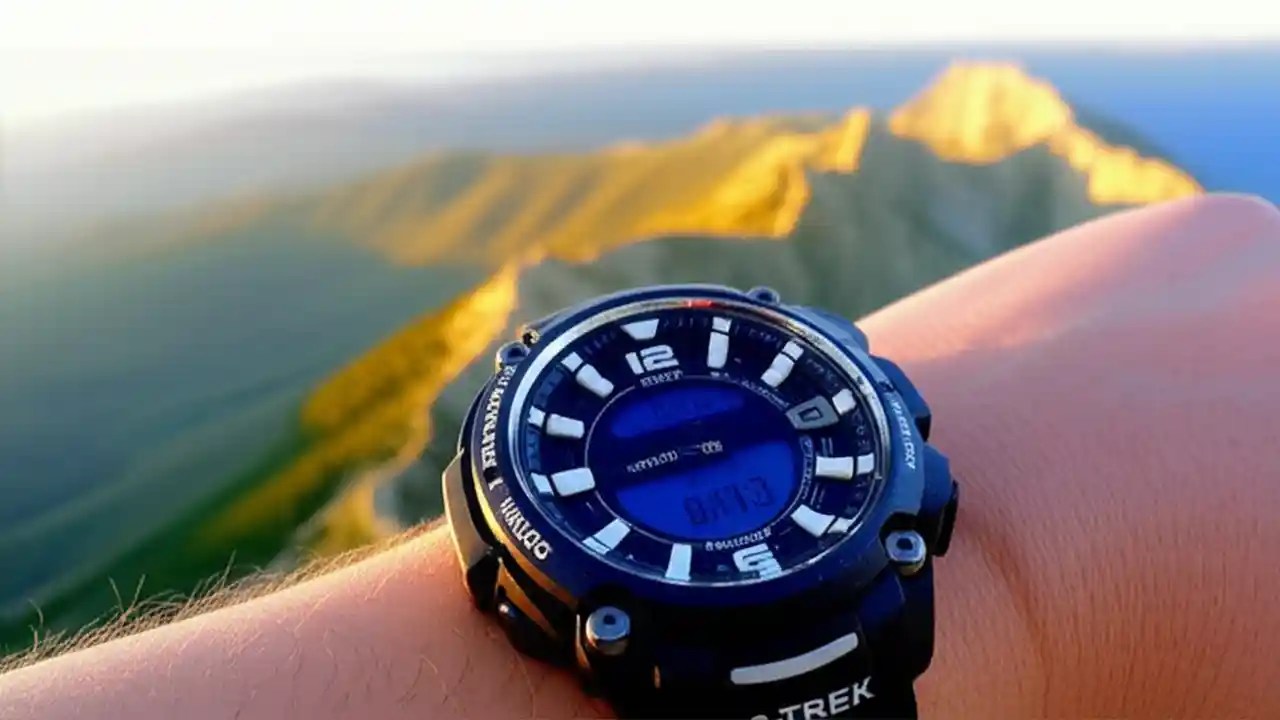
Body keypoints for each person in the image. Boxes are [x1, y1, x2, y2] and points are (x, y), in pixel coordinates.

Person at [1, 195, 1277, 719]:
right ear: (493, 556)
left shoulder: (891, 523)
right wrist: (1037, 597)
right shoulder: (567, 592)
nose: (713, 473)